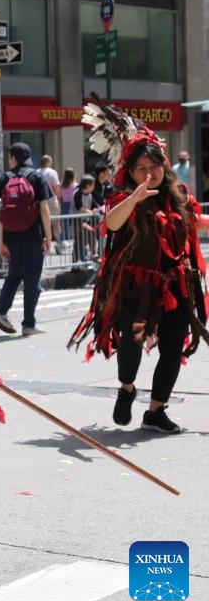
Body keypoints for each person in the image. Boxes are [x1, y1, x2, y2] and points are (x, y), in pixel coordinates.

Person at [70, 102, 209, 434]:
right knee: (131, 345)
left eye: (154, 166)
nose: (149, 173)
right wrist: (135, 197)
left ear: (164, 165)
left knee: (173, 349)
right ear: (130, 171)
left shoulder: (177, 194)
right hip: (137, 286)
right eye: (141, 167)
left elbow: (196, 222)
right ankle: (127, 387)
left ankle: (155, 411)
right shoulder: (123, 196)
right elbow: (112, 224)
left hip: (175, 285)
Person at [0, 142, 54, 335]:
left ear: (14, 158)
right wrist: (48, 236)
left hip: (10, 236)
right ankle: (29, 323)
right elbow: (44, 209)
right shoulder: (36, 177)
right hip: (33, 236)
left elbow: (0, 213)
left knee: (14, 275)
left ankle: (0, 311)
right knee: (32, 279)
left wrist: (1, 241)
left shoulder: (4, 179)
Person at [37, 155, 62, 243]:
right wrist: (59, 198)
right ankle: (59, 243)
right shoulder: (52, 172)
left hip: (40, 201)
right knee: (56, 224)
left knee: (42, 223)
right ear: (49, 162)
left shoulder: (37, 172)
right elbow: (56, 187)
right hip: (51, 201)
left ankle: (43, 242)